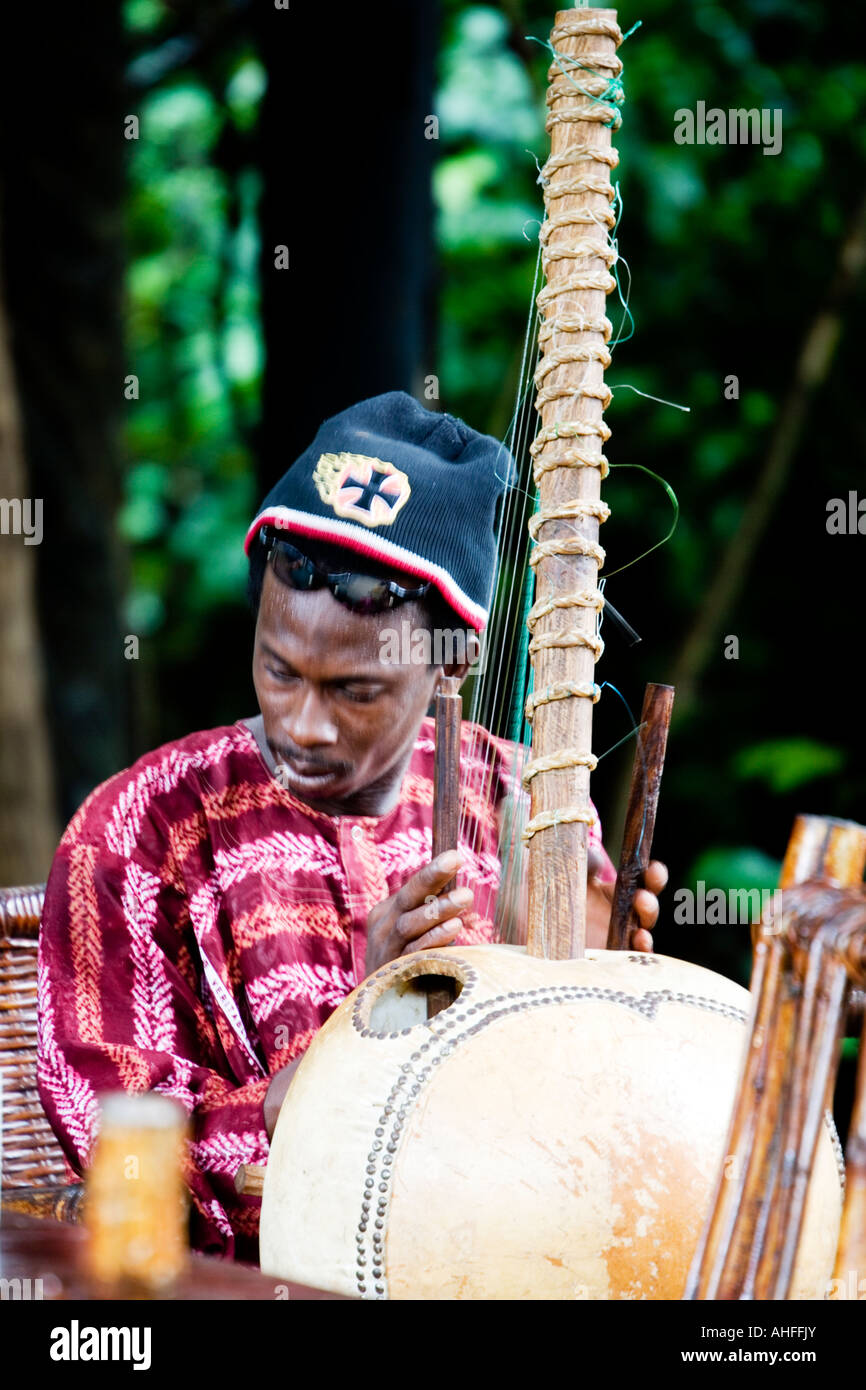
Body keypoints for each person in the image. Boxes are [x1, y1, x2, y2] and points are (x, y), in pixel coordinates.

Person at [37, 392, 667, 1260]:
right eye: (279, 669)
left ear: (455, 662)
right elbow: (113, 1140)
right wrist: (355, 1043)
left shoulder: (525, 798)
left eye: (355, 692)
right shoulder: (140, 831)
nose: (305, 725)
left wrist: (605, 989)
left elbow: (595, 1128)